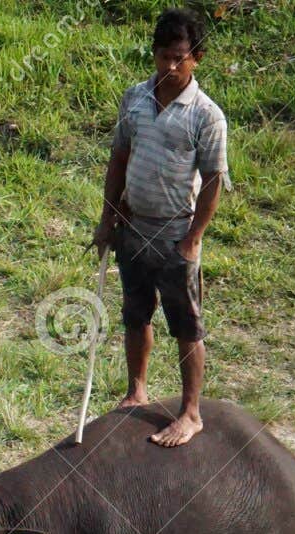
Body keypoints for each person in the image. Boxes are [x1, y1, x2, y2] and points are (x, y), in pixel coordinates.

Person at [91, 7, 230, 447]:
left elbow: (211, 183)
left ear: (197, 58)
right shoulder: (134, 98)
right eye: (161, 56)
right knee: (135, 312)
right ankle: (137, 391)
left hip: (175, 232)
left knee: (186, 324)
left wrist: (192, 240)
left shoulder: (207, 116)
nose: (169, 66)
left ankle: (191, 413)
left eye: (178, 57)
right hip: (133, 224)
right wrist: (107, 218)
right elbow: (118, 159)